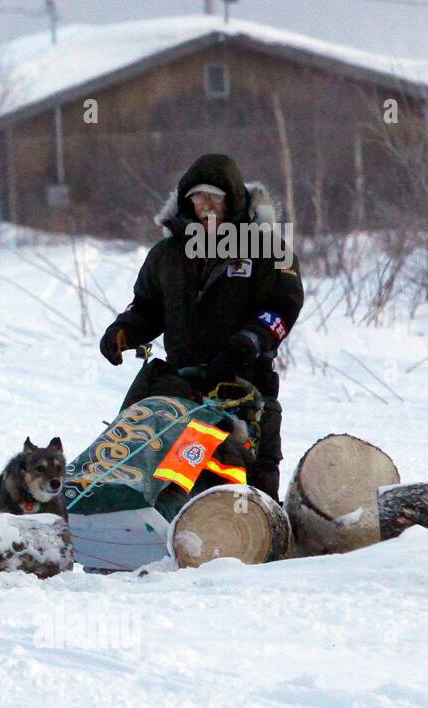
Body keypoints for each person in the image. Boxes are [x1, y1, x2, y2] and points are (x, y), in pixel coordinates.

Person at [98, 153, 303, 500]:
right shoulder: (166, 255)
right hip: (181, 385)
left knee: (245, 485)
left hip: (245, 386)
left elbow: (282, 309)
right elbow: (148, 307)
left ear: (233, 200)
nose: (204, 205)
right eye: (197, 197)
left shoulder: (268, 250)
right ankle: (130, 515)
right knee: (160, 471)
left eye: (214, 197)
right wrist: (124, 331)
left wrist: (247, 343)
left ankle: (244, 537)